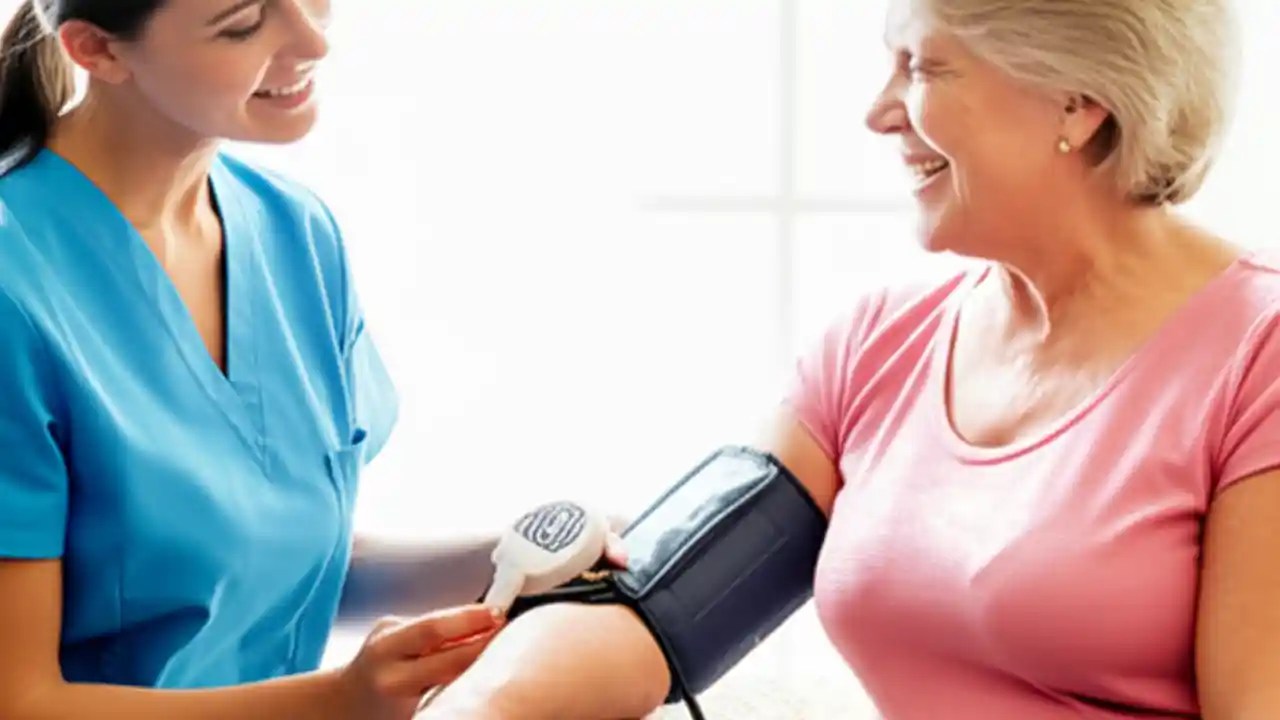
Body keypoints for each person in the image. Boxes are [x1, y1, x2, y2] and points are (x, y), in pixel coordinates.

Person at [416, 1, 1280, 718]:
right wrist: (479, 708)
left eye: (924, 69)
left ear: (1077, 102)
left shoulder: (1258, 356)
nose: (879, 110)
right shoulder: (879, 345)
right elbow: (657, 608)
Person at [0, 1, 639, 718]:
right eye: (242, 24)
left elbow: (275, 565)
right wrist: (336, 700)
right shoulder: (13, 291)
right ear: (96, 50)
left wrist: (515, 562)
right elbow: (19, 701)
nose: (311, 41)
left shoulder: (294, 233)